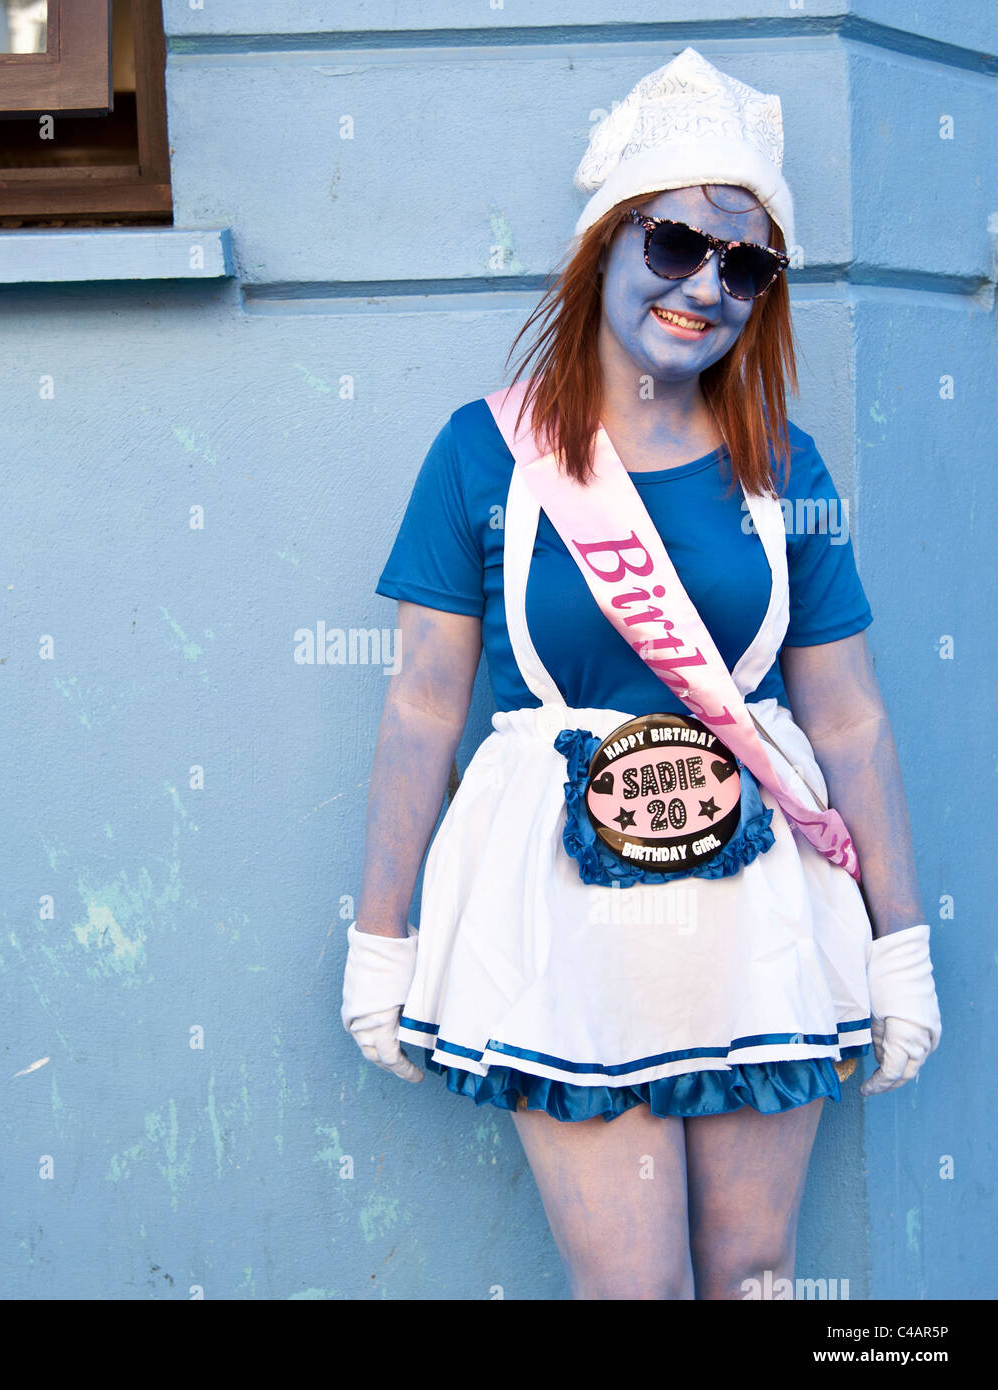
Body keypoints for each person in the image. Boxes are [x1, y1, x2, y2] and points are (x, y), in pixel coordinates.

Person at [341, 47, 942, 1300]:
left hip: (751, 908)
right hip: (557, 913)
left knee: (756, 1272)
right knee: (631, 1289)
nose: (703, 285)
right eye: (674, 244)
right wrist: (379, 938)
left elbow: (849, 715)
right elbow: (420, 707)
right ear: (604, 246)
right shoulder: (482, 452)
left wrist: (900, 946)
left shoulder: (787, 467)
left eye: (745, 263)